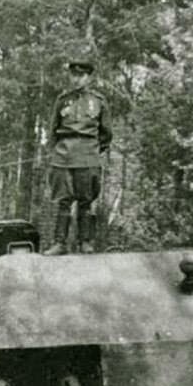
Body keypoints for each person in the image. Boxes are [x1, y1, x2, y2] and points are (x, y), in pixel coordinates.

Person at [44, 57, 111, 255]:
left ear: (89, 77)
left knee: (86, 200)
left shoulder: (98, 101)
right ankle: (59, 243)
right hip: (63, 155)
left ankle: (85, 242)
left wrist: (93, 150)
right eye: (73, 75)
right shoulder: (62, 100)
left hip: (88, 155)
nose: (76, 79)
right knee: (63, 201)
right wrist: (57, 151)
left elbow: (106, 133)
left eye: (81, 75)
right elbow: (53, 130)